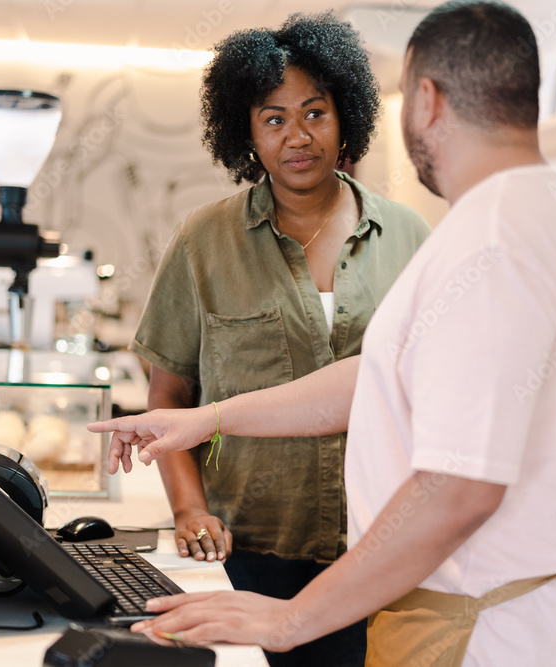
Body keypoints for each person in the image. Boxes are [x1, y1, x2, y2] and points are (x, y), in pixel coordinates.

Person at [92, 2, 556, 664]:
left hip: (490, 635)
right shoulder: (542, 211)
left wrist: (293, 619)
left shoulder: (491, 243)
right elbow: (382, 376)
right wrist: (211, 417)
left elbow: (460, 489)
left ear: (426, 98)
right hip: (500, 617)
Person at [125, 11, 430, 667]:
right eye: (274, 118)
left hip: (377, 552)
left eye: (315, 113)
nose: (298, 135)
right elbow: (170, 394)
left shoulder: (410, 239)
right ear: (248, 133)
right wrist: (188, 511)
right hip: (243, 550)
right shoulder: (203, 242)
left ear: (345, 116)